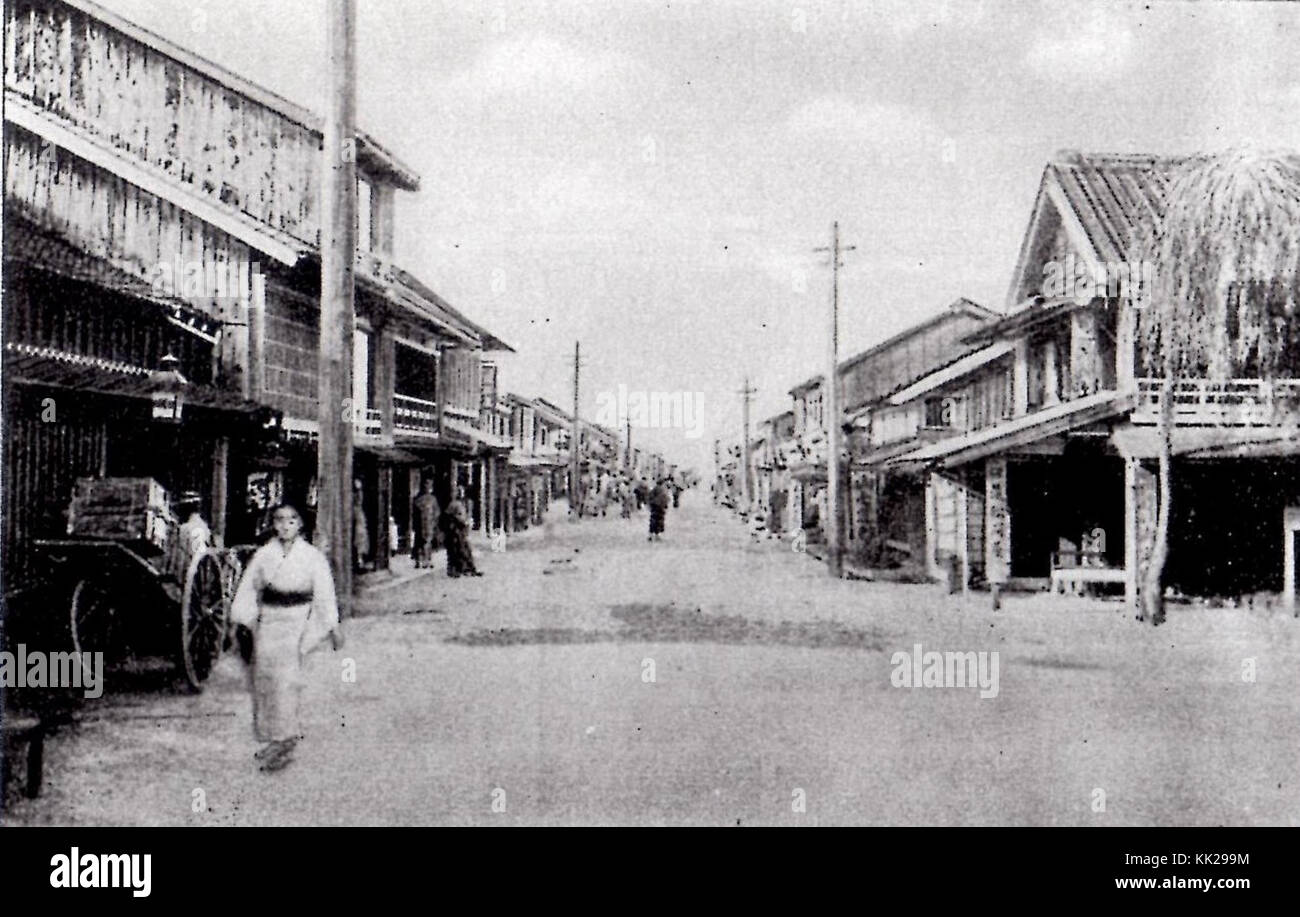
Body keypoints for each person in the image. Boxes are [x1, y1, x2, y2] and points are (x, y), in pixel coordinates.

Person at [229, 502, 342, 774]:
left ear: (300, 524)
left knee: (287, 682)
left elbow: (324, 592)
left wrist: (332, 625)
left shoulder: (312, 557)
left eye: (291, 520)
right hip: (270, 619)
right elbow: (248, 588)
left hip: (298, 620)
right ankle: (272, 737)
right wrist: (242, 618)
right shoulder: (265, 555)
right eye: (279, 520)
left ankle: (287, 739)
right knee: (265, 680)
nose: (284, 525)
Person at [165, 491, 212, 585]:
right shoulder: (206, 529)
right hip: (201, 577)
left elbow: (178, 561)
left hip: (187, 578)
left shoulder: (184, 529)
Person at [439, 486, 482, 577]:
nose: (461, 494)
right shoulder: (453, 504)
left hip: (462, 530)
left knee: (465, 549)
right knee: (458, 550)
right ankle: (458, 570)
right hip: (456, 530)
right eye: (459, 492)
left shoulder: (462, 504)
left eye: (462, 492)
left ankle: (469, 569)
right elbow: (449, 516)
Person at [411, 478, 441, 568]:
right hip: (424, 524)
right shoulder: (422, 499)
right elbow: (436, 513)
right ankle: (422, 560)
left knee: (425, 542)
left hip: (427, 524)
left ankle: (425, 560)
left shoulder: (428, 499)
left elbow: (436, 512)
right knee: (423, 542)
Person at [352, 479, 370, 571]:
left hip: (359, 523)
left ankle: (360, 562)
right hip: (358, 523)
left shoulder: (357, 508)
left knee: (360, 541)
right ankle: (359, 562)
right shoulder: (356, 508)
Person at [648, 477, 671, 542]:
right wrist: (666, 505)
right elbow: (665, 499)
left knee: (653, 521)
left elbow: (650, 497)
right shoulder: (663, 490)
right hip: (660, 508)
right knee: (659, 522)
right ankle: (657, 536)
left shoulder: (654, 489)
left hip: (654, 507)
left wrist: (651, 504)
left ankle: (651, 535)